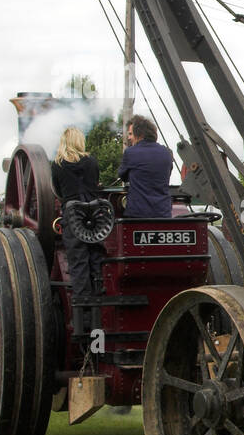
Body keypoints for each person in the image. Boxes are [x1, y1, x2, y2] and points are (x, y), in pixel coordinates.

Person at [51, 127, 106, 335]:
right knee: (96, 258)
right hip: (94, 213)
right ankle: (101, 307)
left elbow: (57, 189)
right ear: (80, 141)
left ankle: (84, 319)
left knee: (78, 263)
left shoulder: (57, 165)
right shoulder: (91, 162)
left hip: (73, 214)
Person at [118, 114, 173, 218]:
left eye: (131, 134)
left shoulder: (130, 152)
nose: (129, 138)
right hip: (163, 212)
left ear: (139, 134)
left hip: (138, 213)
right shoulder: (166, 152)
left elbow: (122, 176)